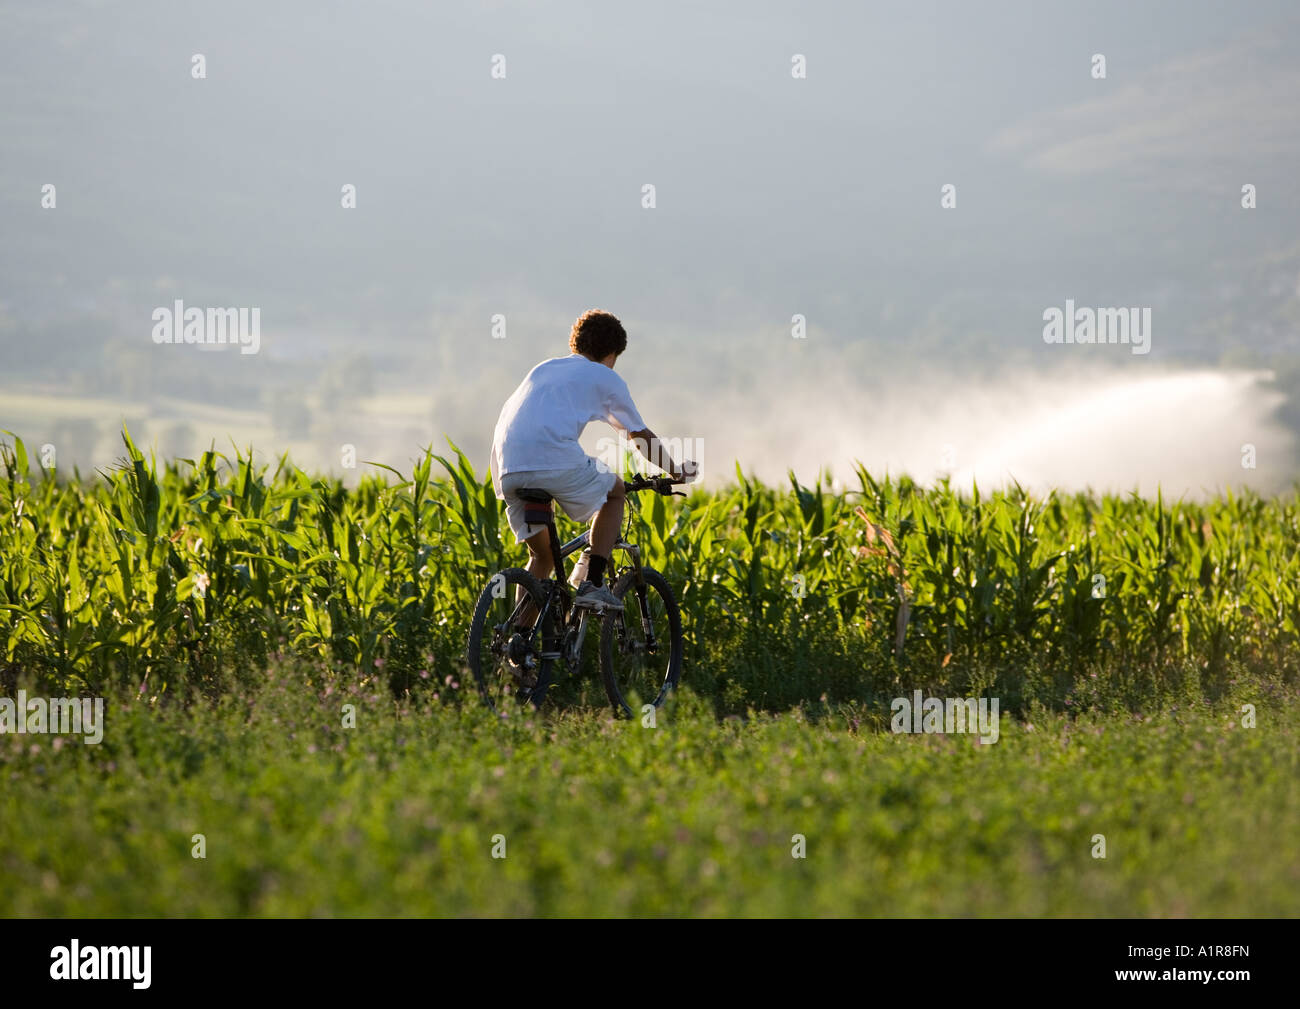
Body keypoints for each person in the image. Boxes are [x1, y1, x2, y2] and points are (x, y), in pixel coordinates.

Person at [490, 309, 695, 613]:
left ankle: (518, 644)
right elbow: (638, 435)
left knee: (543, 559)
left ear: (577, 344)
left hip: (508, 468)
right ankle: (593, 584)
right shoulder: (604, 375)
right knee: (615, 492)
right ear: (611, 353)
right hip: (552, 460)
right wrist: (675, 471)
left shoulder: (543, 368)